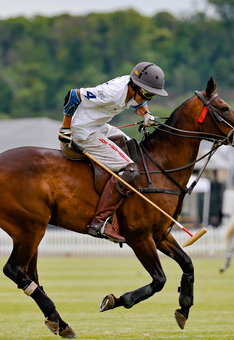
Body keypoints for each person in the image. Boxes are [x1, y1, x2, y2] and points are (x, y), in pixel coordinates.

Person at [58, 62, 168, 243]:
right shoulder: (112, 93)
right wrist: (65, 127)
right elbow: (73, 95)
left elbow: (138, 102)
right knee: (130, 169)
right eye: (147, 93)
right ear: (135, 86)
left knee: (133, 148)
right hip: (84, 131)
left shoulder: (134, 89)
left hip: (100, 126)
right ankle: (100, 222)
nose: (148, 97)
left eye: (152, 95)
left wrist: (145, 113)